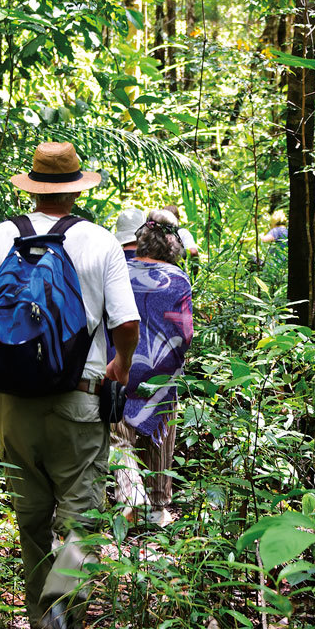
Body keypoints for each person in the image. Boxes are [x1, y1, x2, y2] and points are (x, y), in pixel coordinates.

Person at [0, 141, 140, 629]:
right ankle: (61, 614)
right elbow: (126, 323)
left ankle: (42, 618)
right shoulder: (100, 240)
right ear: (75, 186)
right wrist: (119, 367)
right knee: (83, 520)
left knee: (30, 519)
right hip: (78, 402)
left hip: (12, 403)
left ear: (33, 186)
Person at [111, 208, 193, 527]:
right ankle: (158, 507)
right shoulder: (179, 279)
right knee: (161, 431)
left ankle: (131, 498)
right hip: (161, 370)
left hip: (121, 365)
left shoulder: (119, 273)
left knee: (121, 436)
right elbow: (185, 332)